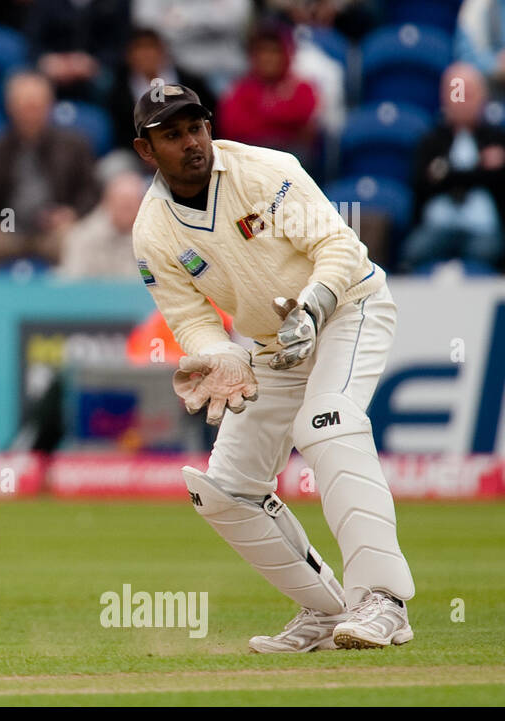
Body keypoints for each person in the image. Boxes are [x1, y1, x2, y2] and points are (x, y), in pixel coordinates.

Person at [130, 84, 415, 653]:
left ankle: (383, 601)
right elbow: (192, 320)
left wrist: (312, 306)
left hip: (348, 308)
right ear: (146, 150)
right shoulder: (152, 232)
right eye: (173, 135)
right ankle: (324, 610)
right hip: (271, 343)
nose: (192, 143)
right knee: (224, 490)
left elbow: (338, 248)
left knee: (327, 421)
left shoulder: (266, 170)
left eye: (196, 127)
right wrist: (225, 358)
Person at [0, 72, 98, 273]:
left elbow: (92, 191)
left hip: (54, 231)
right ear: (11, 109)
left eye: (35, 107)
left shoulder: (73, 145)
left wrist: (72, 214)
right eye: (23, 107)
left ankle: (69, 301)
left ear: (48, 107)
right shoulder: (0, 145)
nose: (29, 113)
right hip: (10, 228)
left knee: (78, 240)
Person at [404, 63, 505, 271]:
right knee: (415, 250)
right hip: (437, 226)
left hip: (483, 227)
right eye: (456, 95)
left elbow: (501, 181)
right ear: (444, 98)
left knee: (486, 250)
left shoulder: (498, 139)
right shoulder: (431, 140)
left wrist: (447, 173)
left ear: (483, 98)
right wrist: (481, 169)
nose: (461, 102)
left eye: (468, 95)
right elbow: (422, 183)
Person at [218, 22, 320, 164]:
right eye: (262, 51)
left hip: (292, 160)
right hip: (249, 159)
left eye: (274, 51)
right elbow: (234, 127)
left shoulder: (301, 86)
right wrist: (280, 115)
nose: (268, 58)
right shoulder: (239, 89)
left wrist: (262, 112)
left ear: (285, 54)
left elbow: (304, 119)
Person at [109, 27, 218, 151]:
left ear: (163, 51)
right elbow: (120, 132)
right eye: (140, 49)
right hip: (139, 155)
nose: (146, 54)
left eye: (151, 47)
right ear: (129, 56)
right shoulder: (119, 93)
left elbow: (210, 117)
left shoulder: (191, 83)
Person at [24, 0, 130, 102]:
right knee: (26, 85)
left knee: (106, 83)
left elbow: (120, 45)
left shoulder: (117, 3)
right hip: (51, 69)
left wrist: (91, 64)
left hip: (96, 70)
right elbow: (31, 41)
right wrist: (48, 61)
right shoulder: (45, 3)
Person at [54, 171, 146, 280]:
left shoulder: (154, 238)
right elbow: (75, 283)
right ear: (106, 203)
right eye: (121, 204)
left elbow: (154, 282)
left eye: (130, 206)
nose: (125, 212)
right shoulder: (81, 238)